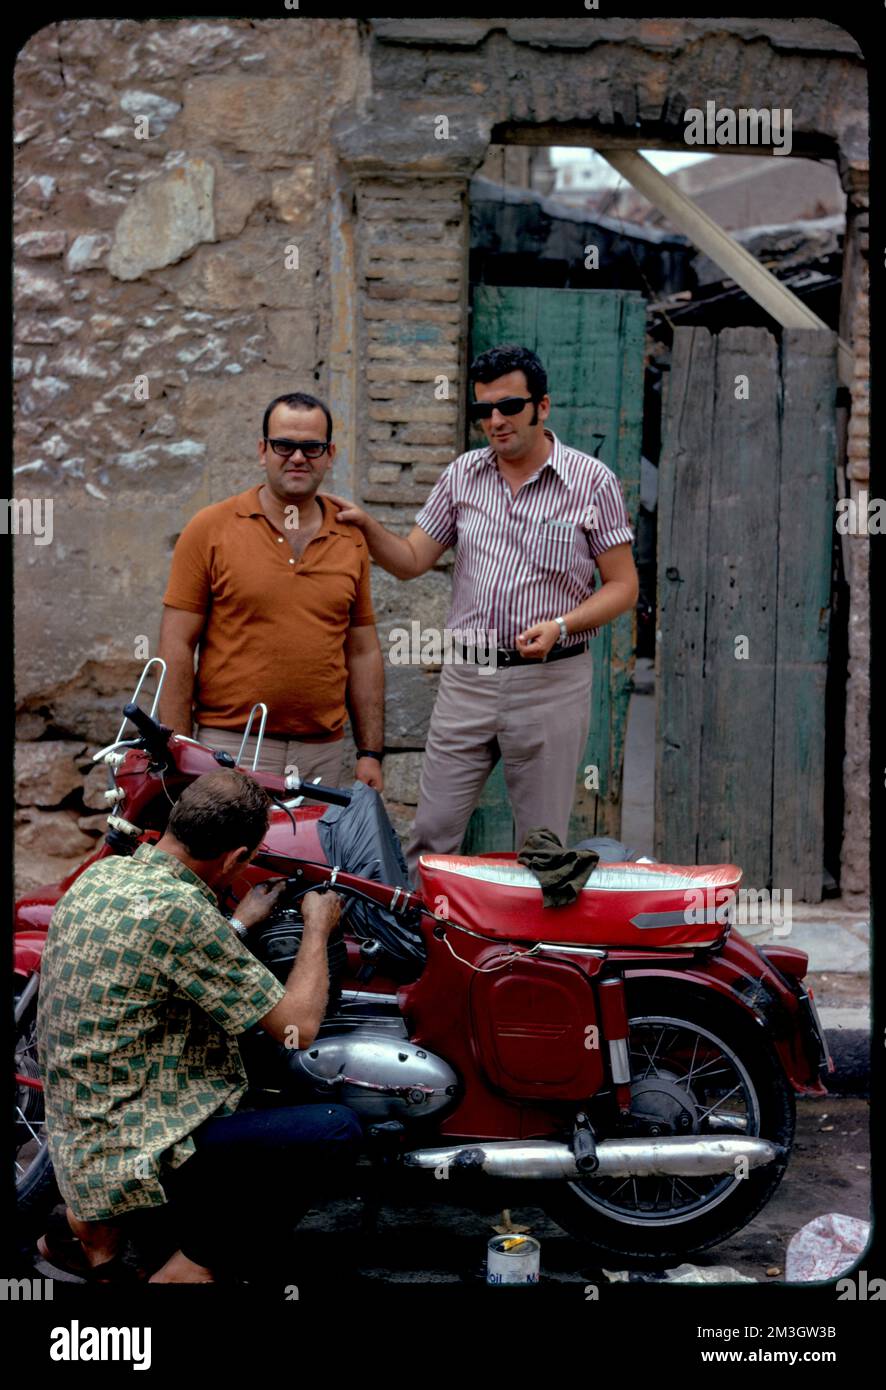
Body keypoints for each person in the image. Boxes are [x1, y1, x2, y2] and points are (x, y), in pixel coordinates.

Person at [325, 344, 639, 882]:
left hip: (552, 679)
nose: (495, 421)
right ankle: (418, 951)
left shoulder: (592, 482)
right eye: (483, 411)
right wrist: (368, 527)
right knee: (431, 833)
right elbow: (411, 561)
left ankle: (527, 956)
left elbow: (624, 586)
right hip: (468, 679)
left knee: (541, 848)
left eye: (509, 407)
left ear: (543, 407)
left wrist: (563, 624)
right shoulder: (463, 476)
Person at [36, 770, 361, 1283]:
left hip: (84, 1137)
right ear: (235, 859)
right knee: (335, 1130)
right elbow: (297, 1028)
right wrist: (318, 926)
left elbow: (165, 954)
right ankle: (190, 1268)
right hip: (136, 1148)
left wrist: (238, 924)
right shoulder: (183, 911)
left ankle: (102, 1227)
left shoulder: (102, 876)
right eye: (245, 860)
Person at [158, 391, 384, 791]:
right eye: (284, 445)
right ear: (263, 451)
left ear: (329, 454)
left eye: (311, 447)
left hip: (323, 755)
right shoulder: (210, 529)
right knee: (231, 855)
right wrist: (176, 750)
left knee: (313, 855)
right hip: (231, 747)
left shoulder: (350, 536)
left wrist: (370, 753)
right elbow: (176, 645)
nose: (298, 458)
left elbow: (362, 650)